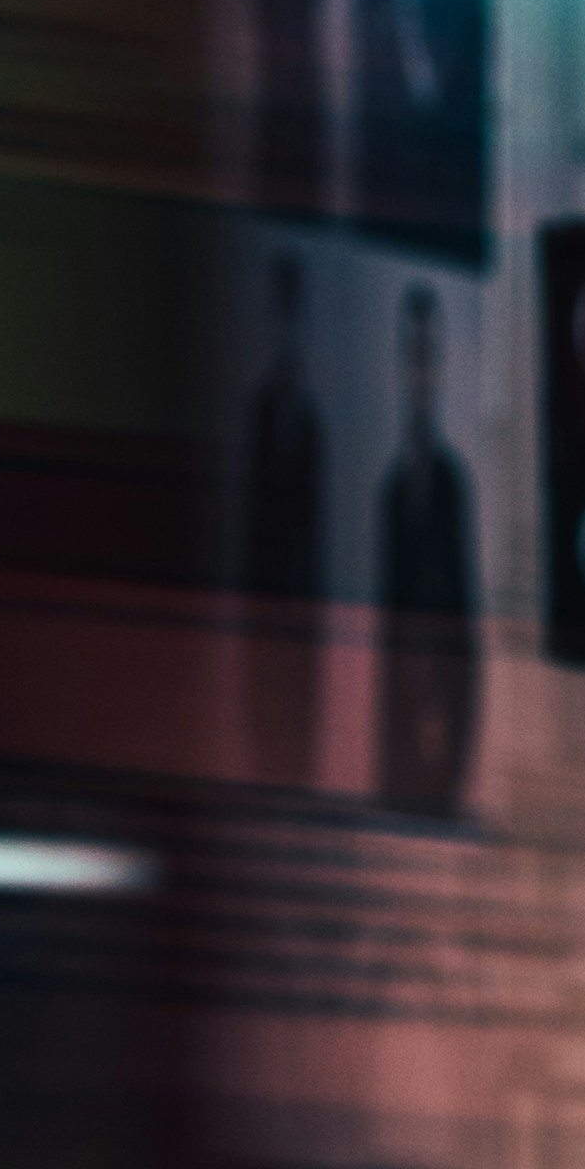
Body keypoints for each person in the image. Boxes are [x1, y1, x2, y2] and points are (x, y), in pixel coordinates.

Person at [375, 280, 481, 822]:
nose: (421, 375)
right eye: (413, 356)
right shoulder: (394, 491)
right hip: (400, 743)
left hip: (441, 733)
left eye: (429, 357)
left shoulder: (448, 485)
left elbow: (464, 628)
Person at [239, 256, 329, 783]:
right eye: (282, 316)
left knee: (298, 730)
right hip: (264, 614)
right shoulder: (261, 414)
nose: (287, 331)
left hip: (301, 620)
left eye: (294, 317)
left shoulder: (310, 421)